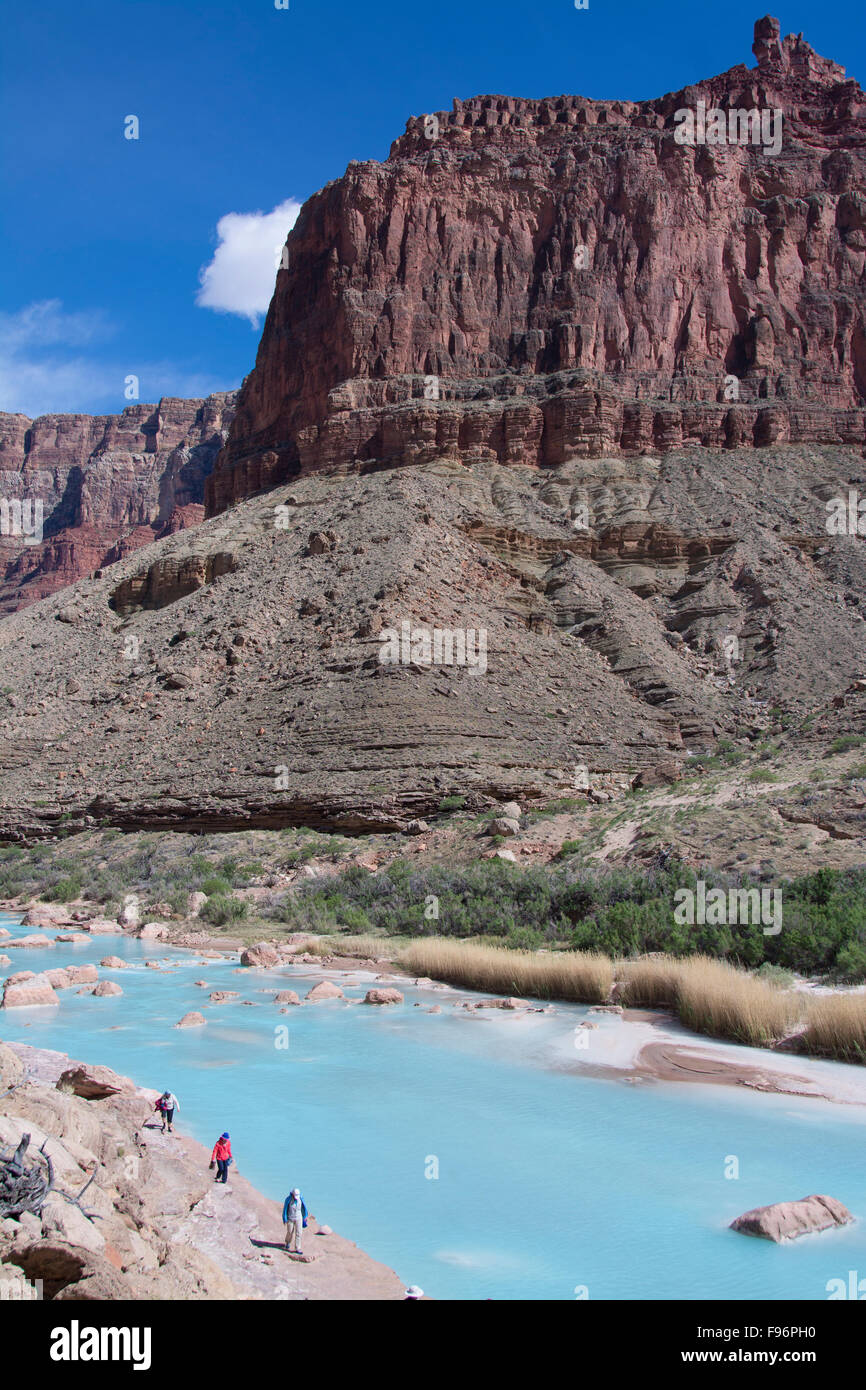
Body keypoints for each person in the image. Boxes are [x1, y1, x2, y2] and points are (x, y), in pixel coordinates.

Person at [282, 1187, 307, 1254]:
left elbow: (304, 1208)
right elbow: (285, 1209)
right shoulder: (288, 1199)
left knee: (299, 1233)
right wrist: (284, 1218)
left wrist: (305, 1216)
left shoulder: (301, 1199)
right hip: (291, 1218)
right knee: (290, 1232)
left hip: (299, 1218)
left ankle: (298, 1248)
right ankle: (287, 1242)